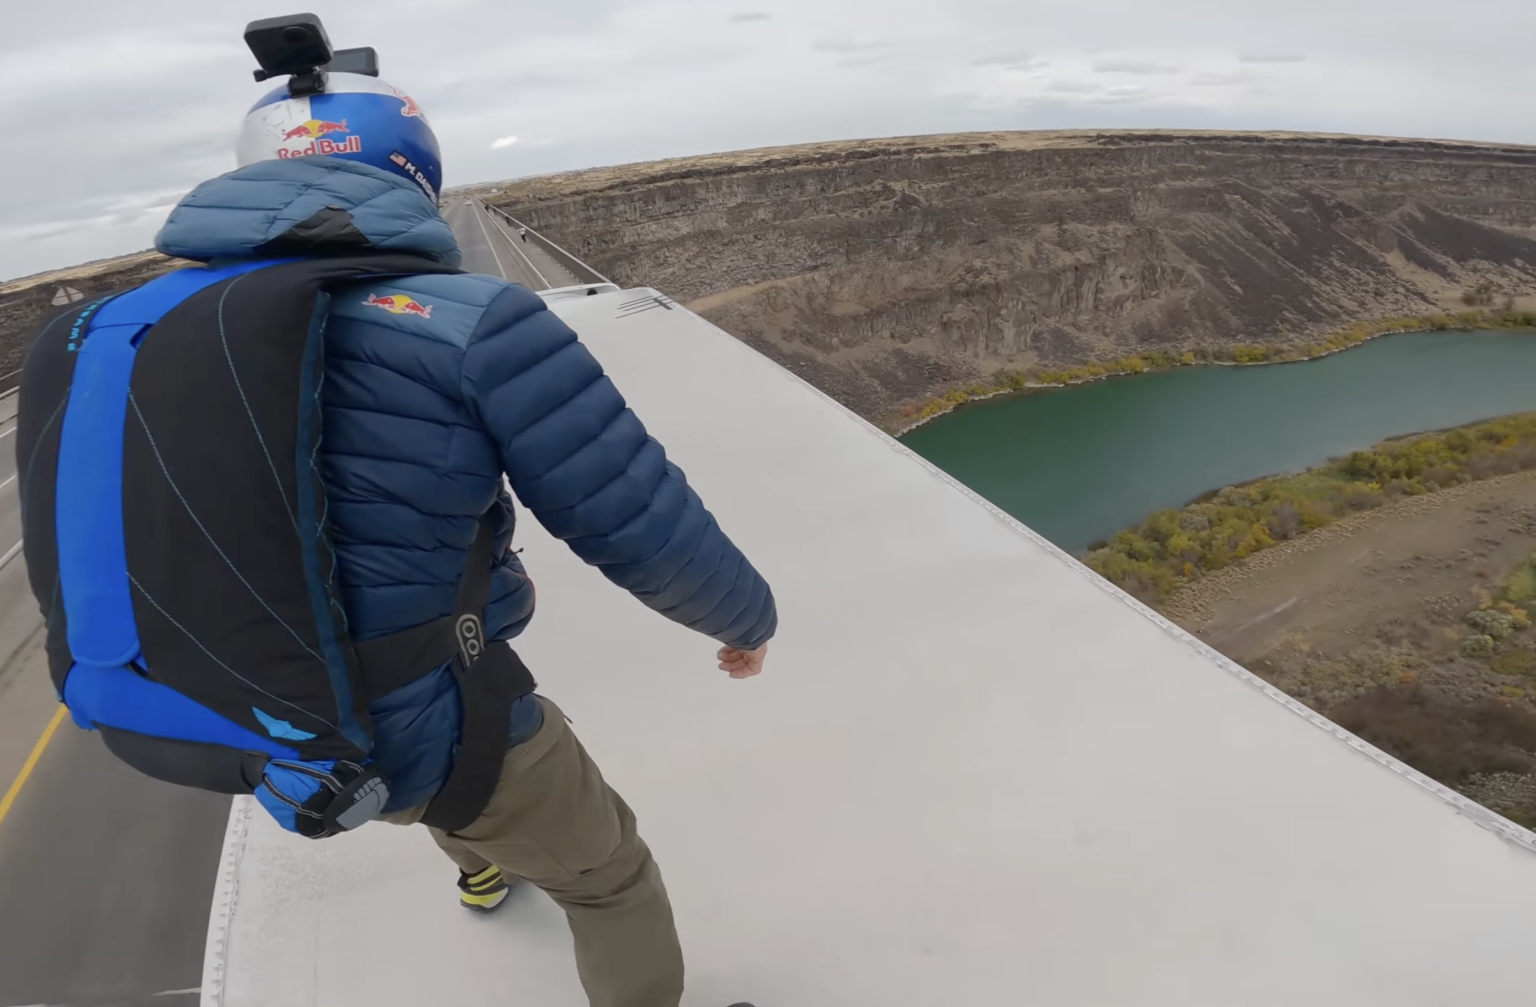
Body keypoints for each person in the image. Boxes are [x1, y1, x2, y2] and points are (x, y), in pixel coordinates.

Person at [20, 68, 773, 1007]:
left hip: (243, 710)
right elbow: (636, 515)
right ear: (415, 172)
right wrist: (744, 617)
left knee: (437, 750)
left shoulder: (127, 327)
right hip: (412, 721)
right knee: (608, 875)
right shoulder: (474, 323)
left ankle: (482, 869)